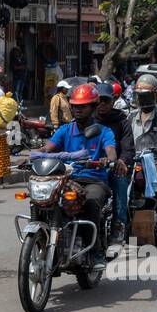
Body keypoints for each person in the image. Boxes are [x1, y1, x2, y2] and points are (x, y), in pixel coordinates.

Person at [39, 82, 120, 253]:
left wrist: (108, 160)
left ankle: (95, 250)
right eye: (75, 106)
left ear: (94, 106)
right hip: (67, 179)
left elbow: (111, 150)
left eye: (83, 106)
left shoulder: (104, 131)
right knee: (42, 200)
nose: (78, 110)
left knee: (90, 202)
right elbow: (48, 148)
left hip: (94, 180)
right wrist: (34, 156)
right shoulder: (65, 130)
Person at [127, 73, 157, 223]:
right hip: (134, 158)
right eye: (140, 96)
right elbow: (125, 137)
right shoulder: (130, 116)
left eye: (147, 96)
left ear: (154, 96)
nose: (143, 99)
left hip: (155, 159)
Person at [95, 81, 135, 238]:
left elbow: (128, 148)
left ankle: (119, 225)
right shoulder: (87, 119)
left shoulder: (121, 121)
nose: (102, 104)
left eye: (106, 100)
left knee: (120, 181)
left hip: (114, 166)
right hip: (87, 166)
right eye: (99, 101)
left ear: (113, 100)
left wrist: (121, 161)